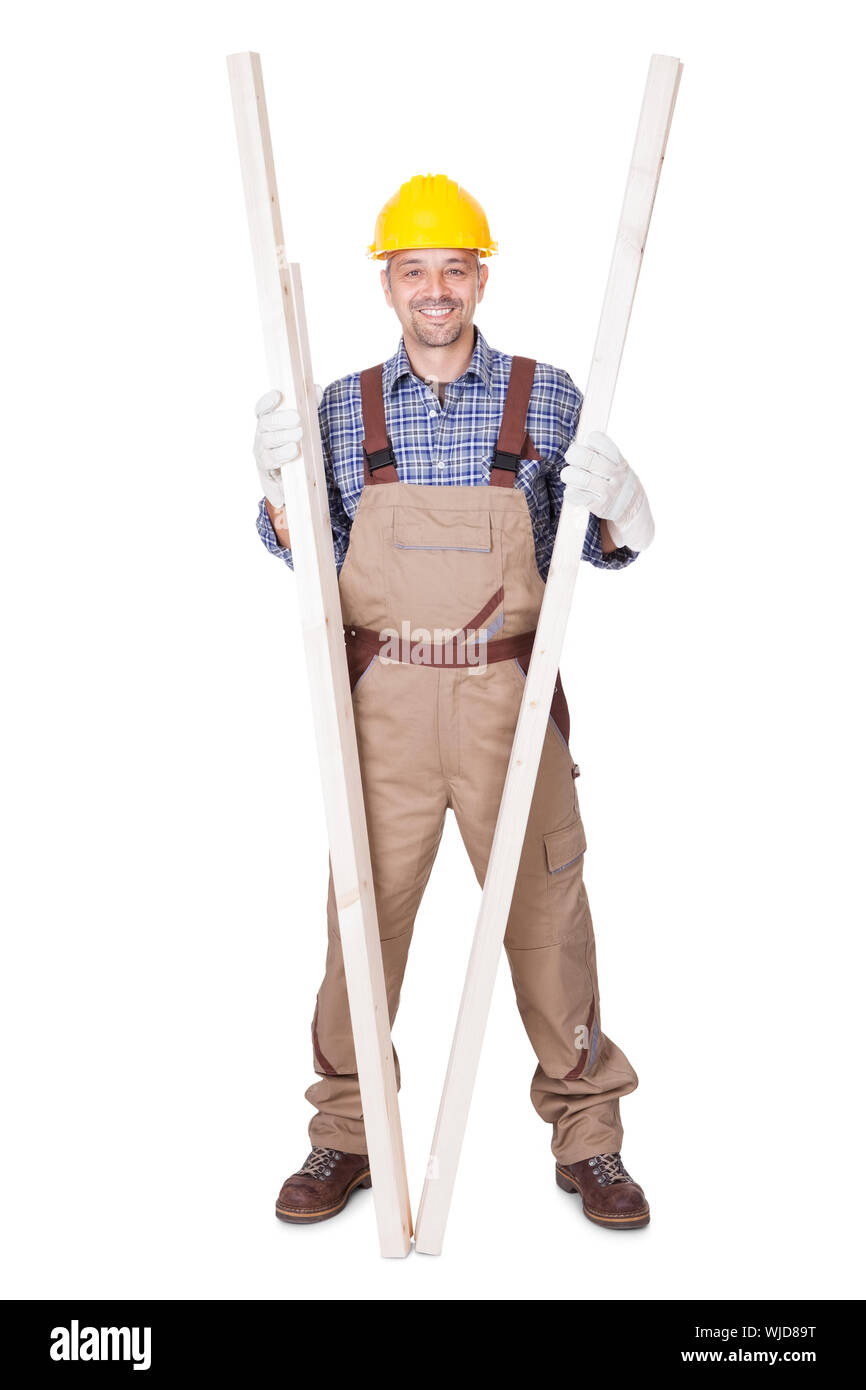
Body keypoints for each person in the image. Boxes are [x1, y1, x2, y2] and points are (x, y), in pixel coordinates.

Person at [253, 174, 654, 1231]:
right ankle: (345, 1135)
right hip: (379, 703)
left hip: (506, 704)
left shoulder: (547, 395)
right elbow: (309, 559)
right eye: (412, 270)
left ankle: (589, 1141)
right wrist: (275, 496)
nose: (434, 289)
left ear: (482, 273)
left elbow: (596, 553)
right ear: (386, 281)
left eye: (453, 267)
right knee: (360, 931)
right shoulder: (338, 404)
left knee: (547, 923)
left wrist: (624, 508)